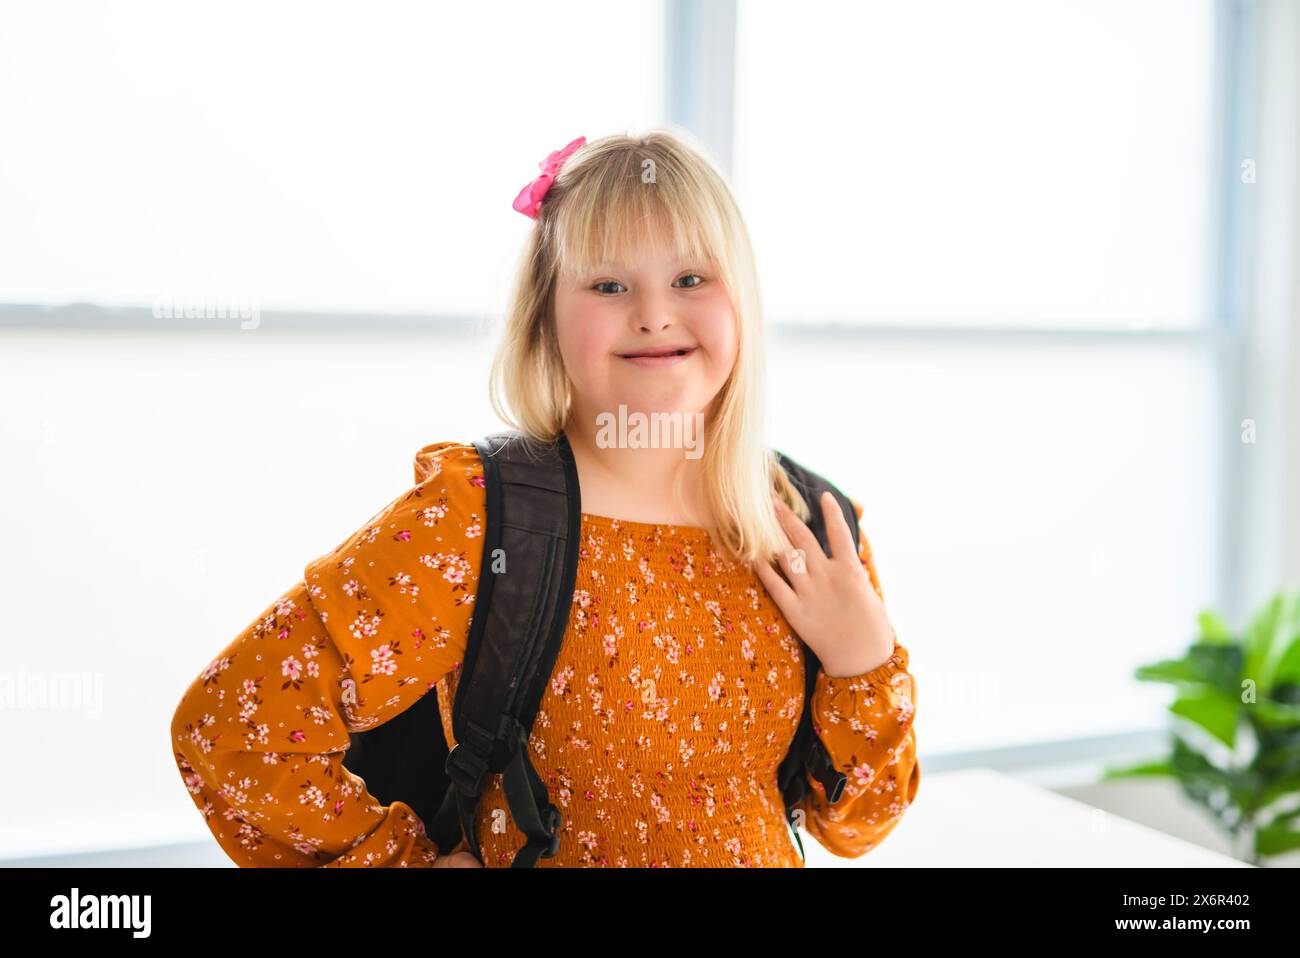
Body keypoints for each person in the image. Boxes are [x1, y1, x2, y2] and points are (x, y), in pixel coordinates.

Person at [169, 128, 919, 867]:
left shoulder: (808, 525)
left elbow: (856, 828)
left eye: (691, 279)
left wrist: (865, 660)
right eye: (608, 284)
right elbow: (232, 729)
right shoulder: (478, 515)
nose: (654, 313)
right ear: (546, 316)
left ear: (743, 303)